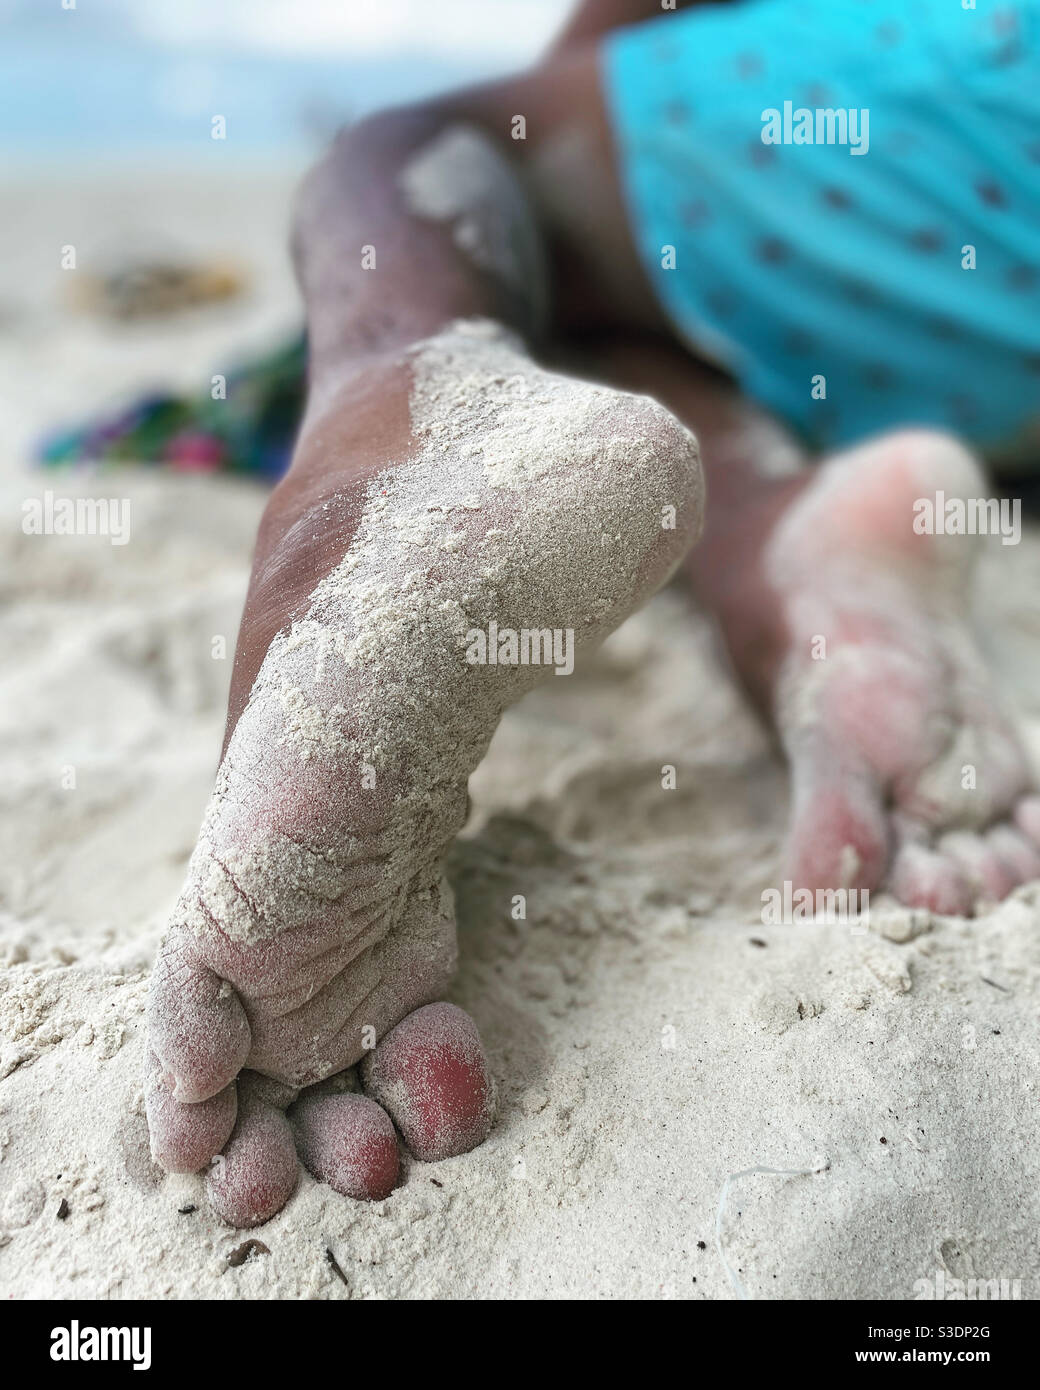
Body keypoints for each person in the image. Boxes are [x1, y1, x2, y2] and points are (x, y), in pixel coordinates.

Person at [144, 0, 1040, 1226]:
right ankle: (793, 552)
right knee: (619, 324)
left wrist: (566, 74)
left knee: (443, 156)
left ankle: (407, 406)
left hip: (980, 136)